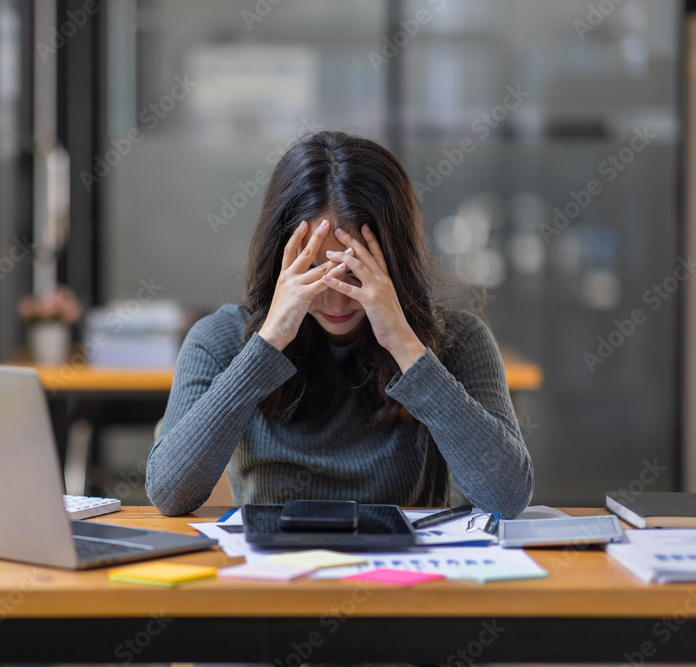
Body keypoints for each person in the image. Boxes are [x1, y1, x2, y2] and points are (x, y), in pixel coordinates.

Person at [145, 131, 534, 519]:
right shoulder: (222, 338)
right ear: (280, 260)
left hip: (402, 573)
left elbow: (508, 497)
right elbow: (169, 493)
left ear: (395, 265)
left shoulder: (458, 340)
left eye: (355, 274)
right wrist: (268, 344)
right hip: (275, 574)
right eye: (315, 273)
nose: (336, 300)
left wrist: (406, 345)